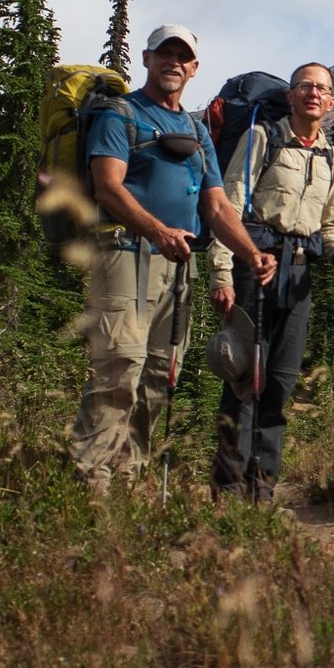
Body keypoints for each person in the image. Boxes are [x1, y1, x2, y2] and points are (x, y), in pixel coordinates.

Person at [72, 25, 276, 493]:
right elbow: (108, 186)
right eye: (165, 53)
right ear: (146, 58)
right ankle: (91, 484)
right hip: (123, 253)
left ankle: (130, 478)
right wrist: (157, 230)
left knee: (160, 373)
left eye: (183, 57)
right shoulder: (121, 115)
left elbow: (217, 206)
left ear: (194, 68)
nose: (174, 63)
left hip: (179, 265)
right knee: (120, 365)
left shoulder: (197, 131)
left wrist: (251, 254)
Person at [206, 62, 334, 501]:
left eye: (322, 88)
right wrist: (222, 272)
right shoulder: (264, 137)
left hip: (298, 275)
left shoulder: (331, 157)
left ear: (331, 102)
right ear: (291, 96)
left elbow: (330, 227)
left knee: (280, 381)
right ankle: (229, 489)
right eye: (305, 86)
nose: (314, 93)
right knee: (243, 377)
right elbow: (229, 207)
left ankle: (263, 488)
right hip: (253, 264)